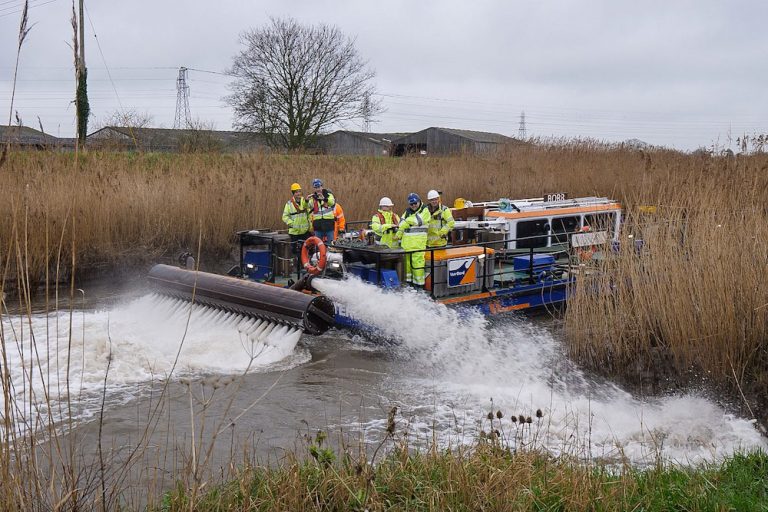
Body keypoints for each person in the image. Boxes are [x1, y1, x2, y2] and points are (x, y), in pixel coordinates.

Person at [397, 192, 430, 286]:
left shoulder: (425, 210)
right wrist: (399, 234)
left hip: (418, 246)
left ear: (419, 201)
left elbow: (418, 221)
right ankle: (409, 285)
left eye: (415, 203)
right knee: (407, 267)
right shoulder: (407, 211)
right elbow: (400, 224)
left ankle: (419, 286)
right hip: (406, 246)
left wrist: (406, 222)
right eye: (411, 204)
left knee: (418, 267)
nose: (414, 205)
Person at [282, 182, 310, 272]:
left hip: (304, 231)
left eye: (299, 192)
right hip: (294, 232)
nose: (298, 194)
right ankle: (294, 268)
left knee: (304, 250)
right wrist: (292, 223)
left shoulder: (304, 201)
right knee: (294, 251)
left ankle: (303, 267)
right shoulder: (289, 204)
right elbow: (284, 217)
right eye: (296, 192)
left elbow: (308, 210)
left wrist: (310, 225)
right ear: (293, 193)